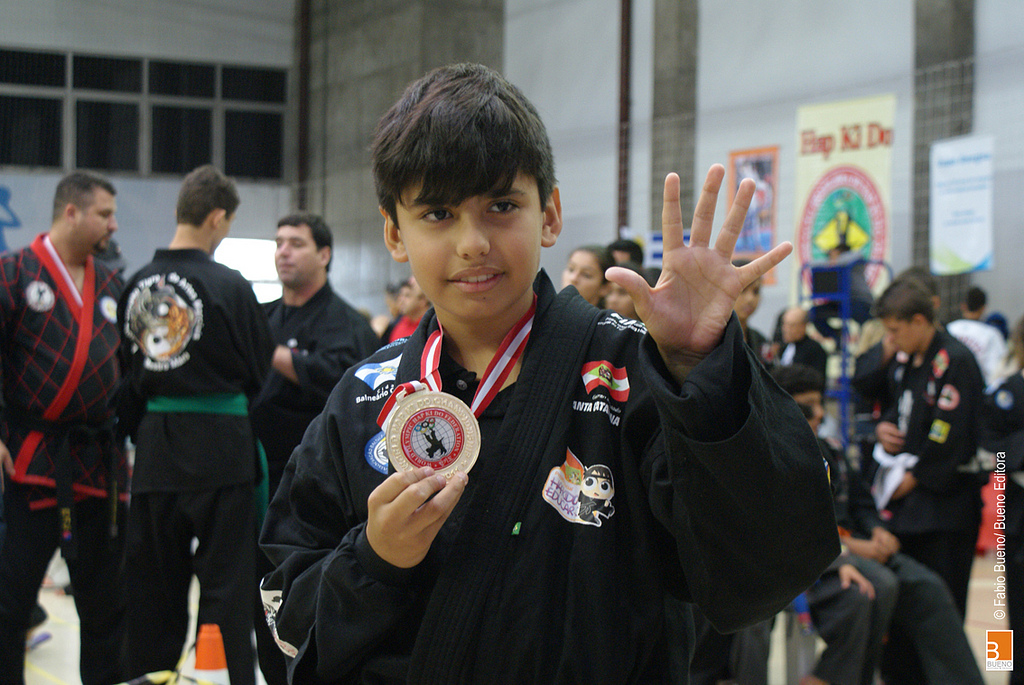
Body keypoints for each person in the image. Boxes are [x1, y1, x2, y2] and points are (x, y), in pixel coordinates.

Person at [259, 62, 838, 683]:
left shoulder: (633, 374)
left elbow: (763, 568)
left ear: (551, 215)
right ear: (394, 234)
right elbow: (281, 611)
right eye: (437, 214)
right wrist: (375, 560)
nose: (473, 242)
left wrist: (705, 374)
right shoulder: (361, 401)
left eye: (502, 205)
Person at [118, 165, 274, 685]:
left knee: (152, 587)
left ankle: (150, 676)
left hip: (156, 450)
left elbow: (126, 377)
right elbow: (260, 368)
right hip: (222, 449)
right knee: (227, 587)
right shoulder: (230, 284)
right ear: (216, 217)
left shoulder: (136, 284)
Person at [775, 364, 984, 685]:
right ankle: (833, 677)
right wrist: (851, 547)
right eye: (807, 407)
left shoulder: (831, 449)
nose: (818, 414)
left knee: (928, 587)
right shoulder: (778, 457)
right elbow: (794, 529)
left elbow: (861, 502)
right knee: (878, 586)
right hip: (822, 558)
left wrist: (877, 529)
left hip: (861, 545)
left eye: (819, 403)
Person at [0, 171, 128, 685]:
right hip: (32, 462)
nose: (113, 224)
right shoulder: (14, 273)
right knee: (10, 603)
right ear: (71, 212)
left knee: (105, 608)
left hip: (98, 467)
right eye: (104, 214)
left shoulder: (115, 281)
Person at [250, 212, 379, 684]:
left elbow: (346, 388)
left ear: (324, 254)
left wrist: (273, 352)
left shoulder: (347, 324)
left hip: (316, 494)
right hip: (256, 479)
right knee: (259, 599)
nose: (284, 251)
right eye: (279, 242)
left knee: (308, 604)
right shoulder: (262, 315)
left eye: (296, 243)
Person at [872, 278, 985, 622]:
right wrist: (884, 428)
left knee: (942, 612)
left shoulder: (955, 360)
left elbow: (948, 432)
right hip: (909, 510)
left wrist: (914, 477)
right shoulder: (908, 360)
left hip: (945, 509)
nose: (890, 339)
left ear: (919, 321)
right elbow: (899, 408)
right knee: (907, 615)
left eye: (895, 329)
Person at [981, 314, 1024, 685]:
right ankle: (1010, 672)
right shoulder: (1006, 394)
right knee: (1008, 606)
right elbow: (994, 453)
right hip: (1018, 515)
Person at [947, 285, 1008, 386]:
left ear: (963, 306)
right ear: (983, 308)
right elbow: (997, 375)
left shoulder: (949, 329)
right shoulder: (992, 335)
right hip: (977, 395)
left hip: (948, 393)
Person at [779, 306, 828, 380]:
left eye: (791, 325)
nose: (786, 329)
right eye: (784, 324)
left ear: (803, 326)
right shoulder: (784, 347)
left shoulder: (815, 350)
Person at [387, 276, 429, 343]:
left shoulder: (431, 326)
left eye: (407, 295)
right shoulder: (399, 327)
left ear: (422, 301)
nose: (401, 300)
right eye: (400, 295)